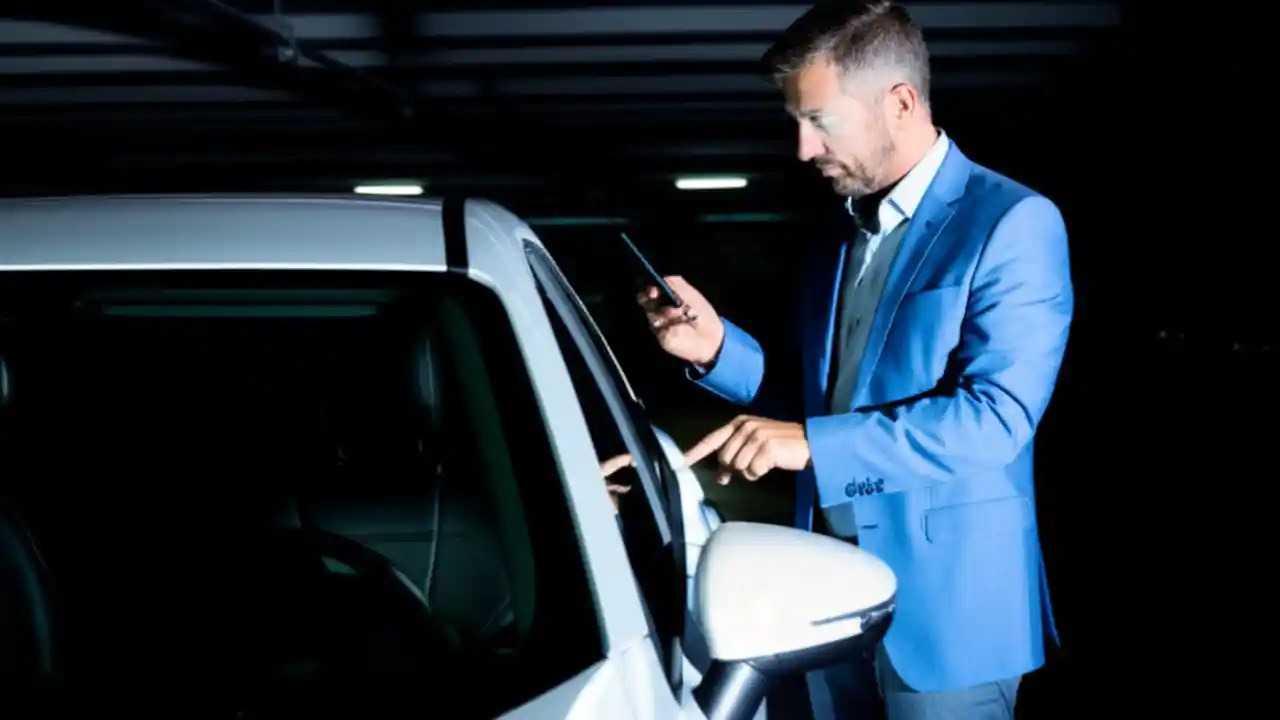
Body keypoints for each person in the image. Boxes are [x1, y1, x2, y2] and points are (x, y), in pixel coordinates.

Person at [636, 1, 1073, 718]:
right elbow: (822, 400)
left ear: (900, 103)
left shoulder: (1012, 222)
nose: (804, 149)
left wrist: (810, 442)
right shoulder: (839, 233)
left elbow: (997, 419)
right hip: (829, 595)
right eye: (796, 123)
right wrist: (716, 348)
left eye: (821, 121)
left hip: (950, 616)